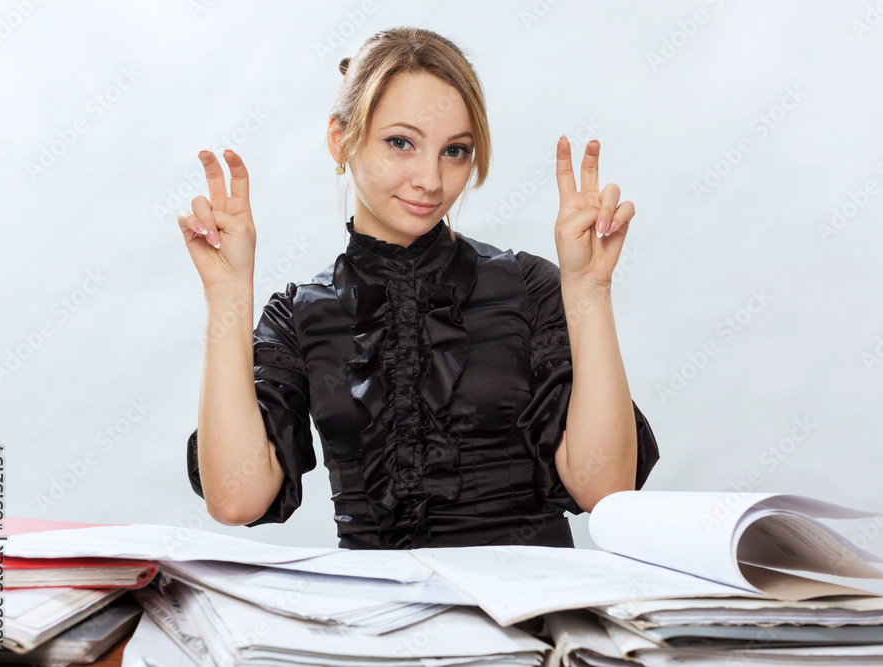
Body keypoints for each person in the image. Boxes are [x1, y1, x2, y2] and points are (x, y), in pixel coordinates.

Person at [178, 26, 659, 549]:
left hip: (529, 617)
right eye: (401, 143)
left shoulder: (530, 287)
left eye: (455, 151)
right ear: (341, 139)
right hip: (375, 621)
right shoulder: (297, 315)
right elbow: (235, 499)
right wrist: (226, 294)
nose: (430, 180)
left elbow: (606, 489)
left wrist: (589, 289)